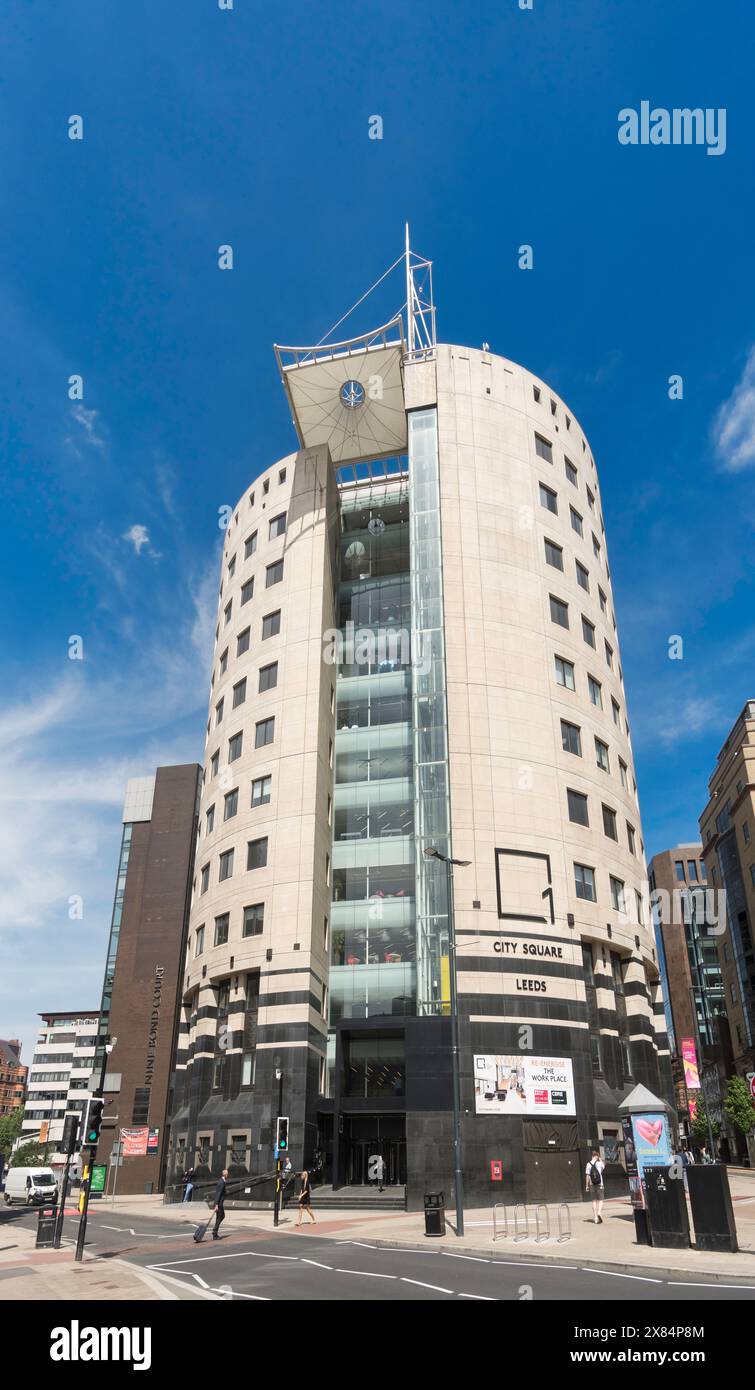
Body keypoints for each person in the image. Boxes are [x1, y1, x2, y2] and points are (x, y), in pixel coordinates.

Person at [585, 1147, 605, 1224]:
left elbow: (587, 1175)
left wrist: (587, 1185)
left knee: (594, 1200)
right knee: (600, 1199)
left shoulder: (588, 1164)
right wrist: (600, 1159)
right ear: (597, 1156)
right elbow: (603, 1168)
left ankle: (595, 1217)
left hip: (592, 1184)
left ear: (592, 1156)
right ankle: (599, 1212)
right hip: (600, 1184)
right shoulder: (600, 1163)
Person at [212, 1168, 228, 1239]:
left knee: (220, 1217)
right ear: (225, 1174)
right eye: (227, 1173)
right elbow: (218, 1194)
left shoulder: (222, 1181)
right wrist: (216, 1205)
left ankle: (215, 1232)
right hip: (219, 1204)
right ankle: (215, 1232)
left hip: (219, 1203)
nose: (228, 1175)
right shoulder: (222, 1182)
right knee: (220, 1217)